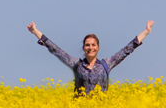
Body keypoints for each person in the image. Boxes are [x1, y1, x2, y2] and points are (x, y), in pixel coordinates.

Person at [26, 20, 154, 94]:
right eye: (87, 45)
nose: (90, 47)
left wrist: (146, 32)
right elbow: (55, 50)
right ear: (83, 48)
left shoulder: (106, 64)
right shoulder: (76, 64)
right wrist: (35, 32)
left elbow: (127, 50)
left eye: (93, 45)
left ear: (98, 47)